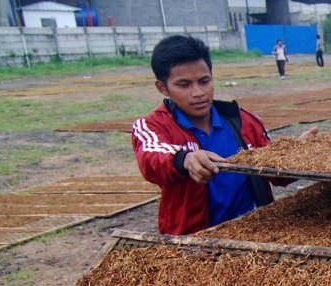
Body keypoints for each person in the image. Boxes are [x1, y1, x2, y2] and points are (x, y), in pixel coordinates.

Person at [132, 35, 317, 235]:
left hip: (255, 233)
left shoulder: (243, 121)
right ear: (163, 88)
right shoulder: (153, 126)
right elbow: (152, 157)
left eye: (204, 81)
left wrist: (300, 154)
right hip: (195, 241)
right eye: (184, 85)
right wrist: (185, 159)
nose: (198, 93)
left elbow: (275, 172)